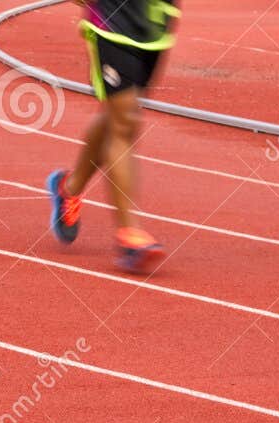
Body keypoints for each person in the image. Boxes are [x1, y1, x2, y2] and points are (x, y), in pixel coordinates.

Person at [47, 1, 180, 274]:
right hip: (111, 23)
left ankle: (69, 188)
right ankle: (130, 236)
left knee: (117, 115)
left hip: (155, 25)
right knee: (125, 121)